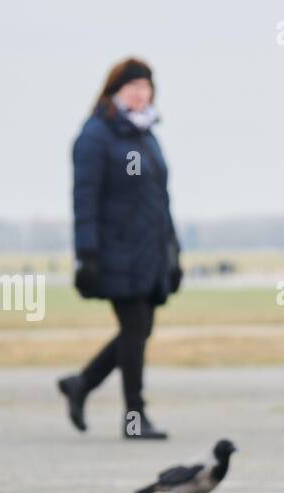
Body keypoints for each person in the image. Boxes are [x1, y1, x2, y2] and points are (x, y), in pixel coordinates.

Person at [57, 57, 181, 440]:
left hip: (149, 251)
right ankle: (134, 417)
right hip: (116, 251)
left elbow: (160, 200)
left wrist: (173, 251)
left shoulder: (146, 135)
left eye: (146, 88)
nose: (141, 95)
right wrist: (87, 255)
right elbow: (85, 199)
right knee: (134, 329)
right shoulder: (96, 135)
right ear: (115, 90)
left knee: (138, 331)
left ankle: (82, 383)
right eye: (133, 88)